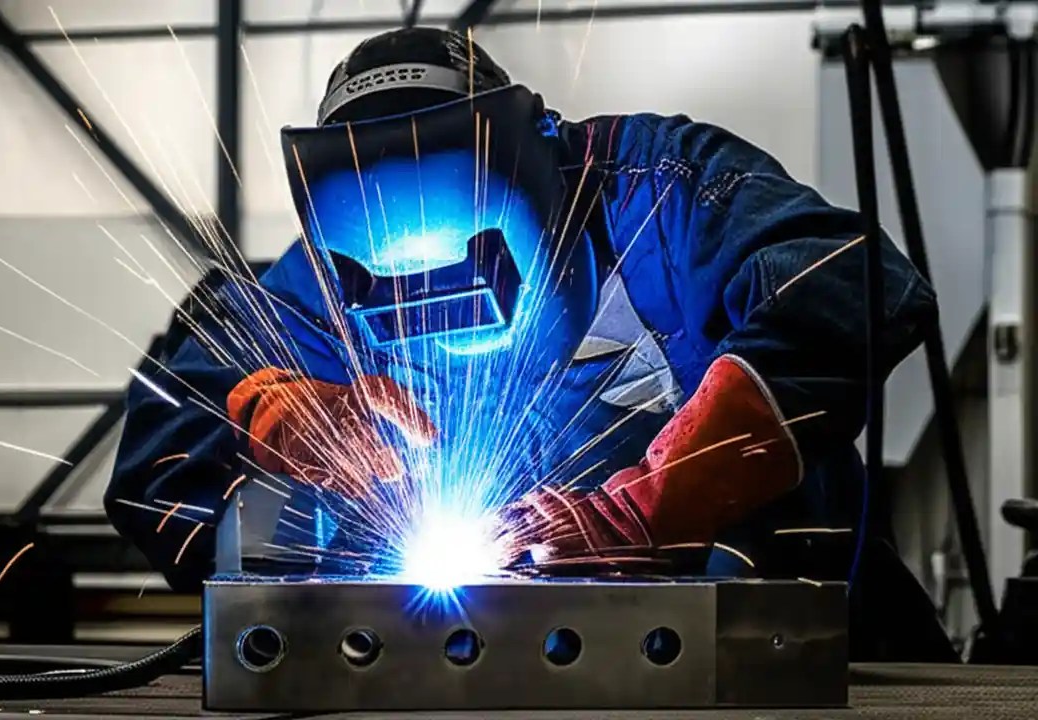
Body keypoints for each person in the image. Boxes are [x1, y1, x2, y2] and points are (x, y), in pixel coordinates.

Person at [108, 27, 957, 661]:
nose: (432, 296)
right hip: (485, 671)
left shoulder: (654, 193)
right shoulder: (327, 274)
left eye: (461, 248)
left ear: (536, 167)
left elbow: (850, 282)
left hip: (792, 653)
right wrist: (278, 412)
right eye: (395, 276)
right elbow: (170, 424)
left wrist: (656, 502)